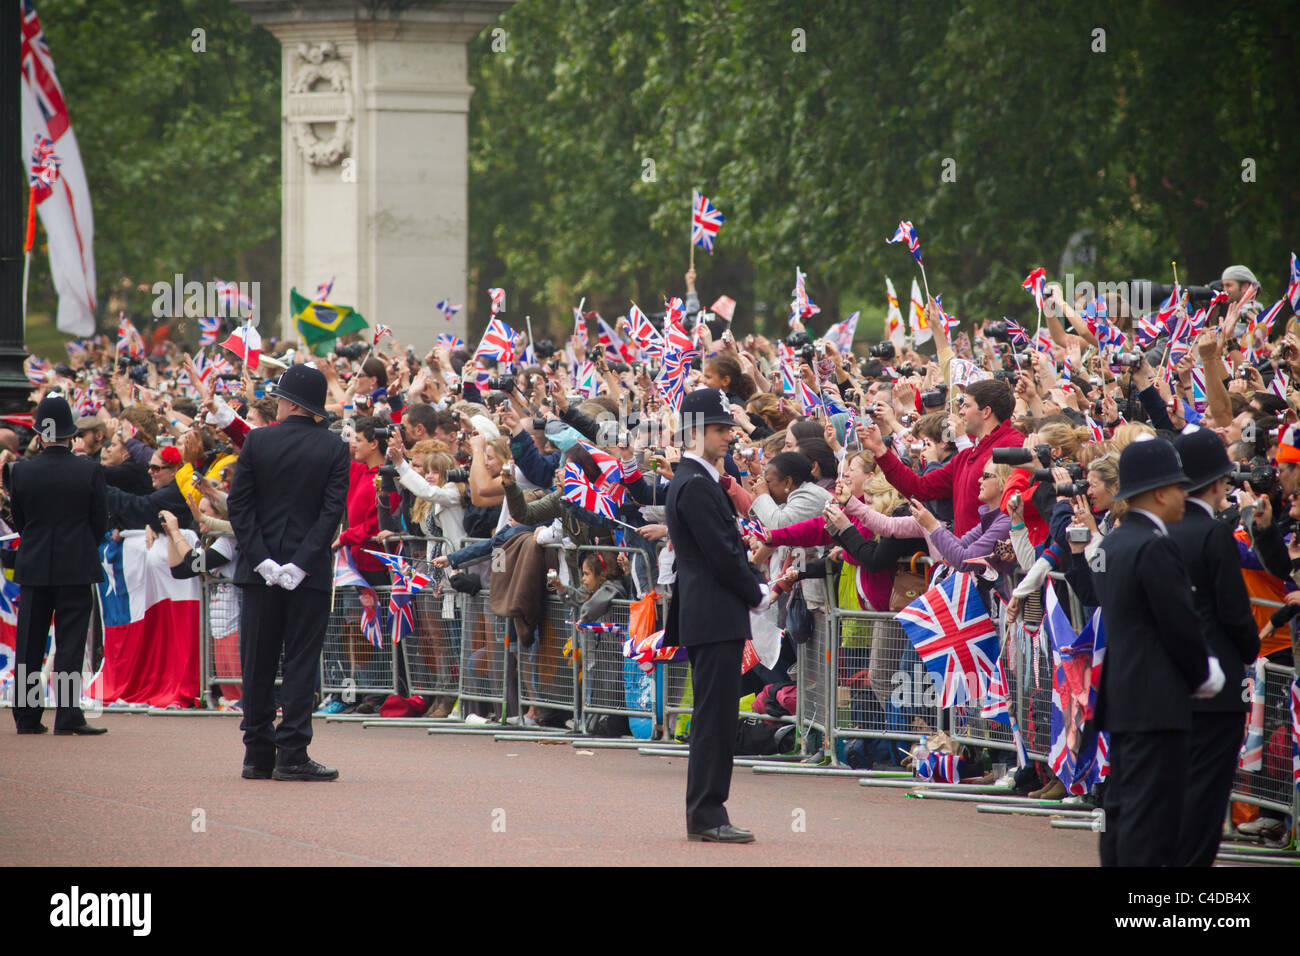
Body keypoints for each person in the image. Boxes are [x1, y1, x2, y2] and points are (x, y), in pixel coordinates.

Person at [1092, 437, 1222, 866]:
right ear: (1161, 492)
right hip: (1157, 697)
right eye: (1180, 487)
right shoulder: (1155, 544)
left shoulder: (1111, 543)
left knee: (1123, 807)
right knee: (1152, 820)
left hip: (1124, 692)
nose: (1186, 496)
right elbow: (1178, 623)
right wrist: (1204, 673)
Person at [226, 365, 349, 781]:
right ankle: (292, 752)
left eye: (279, 397)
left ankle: (256, 754)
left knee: (256, 662)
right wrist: (300, 563)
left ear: (291, 402)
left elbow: (239, 506)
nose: (275, 404)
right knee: (300, 661)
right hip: (308, 573)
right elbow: (331, 513)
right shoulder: (334, 448)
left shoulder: (257, 442)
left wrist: (261, 559)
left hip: (258, 571)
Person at [665, 388, 765, 843]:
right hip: (714, 613)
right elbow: (722, 555)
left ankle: (708, 810)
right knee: (714, 719)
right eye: (720, 428)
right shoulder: (695, 483)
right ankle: (707, 813)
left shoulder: (696, 480)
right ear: (694, 431)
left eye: (728, 426)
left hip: (711, 613)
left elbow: (722, 551)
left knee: (716, 717)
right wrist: (757, 592)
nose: (729, 435)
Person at [1168, 429, 1260, 866]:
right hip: (1216, 680)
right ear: (1217, 482)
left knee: (1176, 785)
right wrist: (1249, 650)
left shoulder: (1161, 530)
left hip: (1168, 676)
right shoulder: (1212, 533)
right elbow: (1235, 614)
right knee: (1205, 795)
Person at [7, 395, 109, 735]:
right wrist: (80, 546)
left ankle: (27, 716)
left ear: (40, 435)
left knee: (30, 643)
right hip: (76, 564)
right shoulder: (89, 470)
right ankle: (67, 715)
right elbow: (99, 522)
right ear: (70, 435)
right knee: (70, 643)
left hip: (35, 564)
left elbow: (21, 521)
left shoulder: (20, 471)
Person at [860, 379, 1023, 535]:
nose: (961, 412)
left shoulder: (1014, 445)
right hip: (966, 554)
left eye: (966, 405)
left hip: (994, 555)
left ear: (986, 412)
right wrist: (880, 451)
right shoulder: (967, 454)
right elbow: (920, 488)